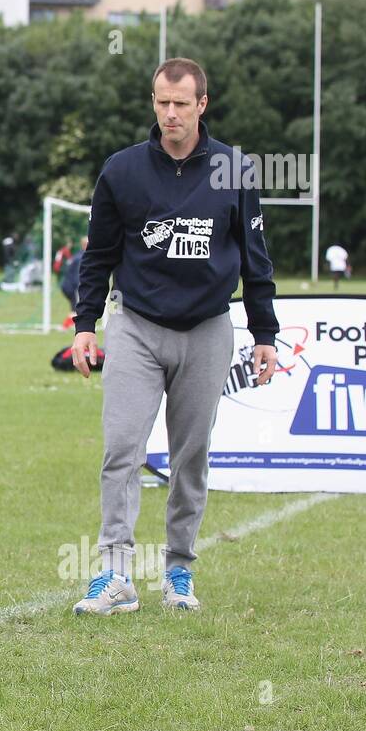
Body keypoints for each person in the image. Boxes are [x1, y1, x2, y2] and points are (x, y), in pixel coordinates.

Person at [69, 58, 278, 615]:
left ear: (202, 104)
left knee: (191, 456)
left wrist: (264, 332)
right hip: (136, 328)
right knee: (121, 450)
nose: (169, 113)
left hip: (208, 330)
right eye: (161, 102)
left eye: (180, 103)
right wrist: (84, 326)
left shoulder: (234, 169)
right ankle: (115, 576)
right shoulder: (122, 170)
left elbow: (256, 259)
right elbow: (100, 258)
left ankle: (179, 572)